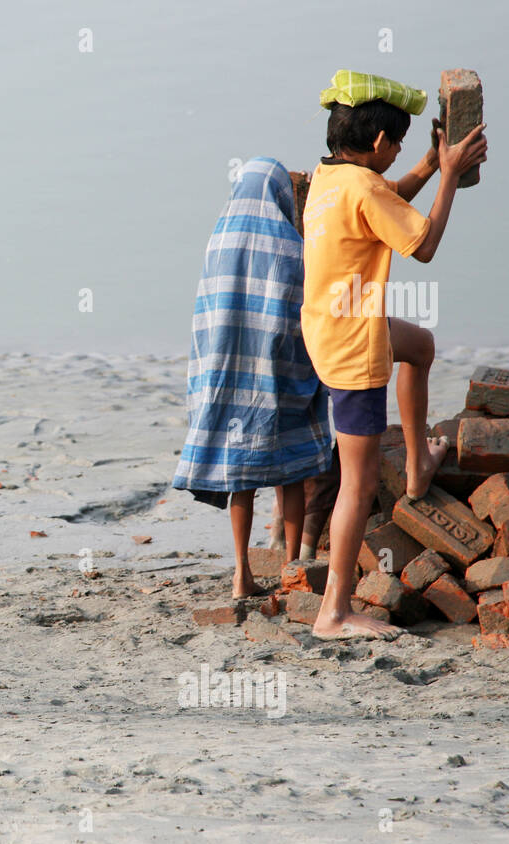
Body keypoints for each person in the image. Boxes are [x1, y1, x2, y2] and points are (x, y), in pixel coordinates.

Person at [300, 70, 487, 639]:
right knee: (355, 485)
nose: (402, 151)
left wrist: (430, 164)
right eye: (400, 144)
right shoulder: (362, 187)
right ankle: (334, 612)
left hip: (332, 326)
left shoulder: (331, 179)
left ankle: (414, 466)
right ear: (379, 143)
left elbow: (384, 202)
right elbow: (423, 246)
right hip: (353, 349)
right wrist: (451, 176)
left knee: (421, 347)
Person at [174, 157, 333, 599]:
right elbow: (301, 311)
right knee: (291, 473)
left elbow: (206, 314)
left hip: (231, 380)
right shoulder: (291, 245)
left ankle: (241, 574)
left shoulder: (218, 241)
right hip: (281, 378)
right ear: (279, 194)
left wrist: (206, 379)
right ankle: (290, 572)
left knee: (241, 479)